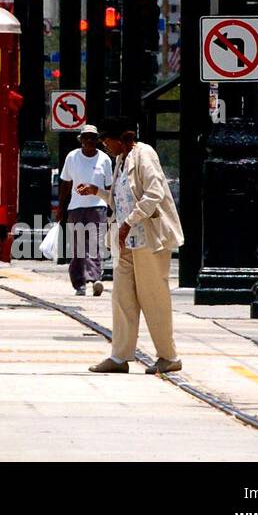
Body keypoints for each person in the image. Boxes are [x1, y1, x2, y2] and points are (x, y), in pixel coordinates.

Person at [89, 117, 185, 376]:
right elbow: (121, 199)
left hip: (148, 241)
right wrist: (97, 192)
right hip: (127, 243)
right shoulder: (120, 161)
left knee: (154, 298)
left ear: (121, 138)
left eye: (107, 141)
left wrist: (128, 223)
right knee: (122, 299)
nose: (105, 147)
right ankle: (119, 356)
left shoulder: (145, 155)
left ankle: (168, 356)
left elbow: (154, 194)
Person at [58, 126, 113, 297]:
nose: (89, 141)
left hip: (98, 207)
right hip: (76, 207)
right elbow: (66, 183)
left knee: (95, 244)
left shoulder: (104, 159)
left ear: (97, 140)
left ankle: (95, 278)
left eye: (93, 137)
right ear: (81, 139)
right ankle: (79, 283)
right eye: (86, 137)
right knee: (78, 247)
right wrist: (61, 208)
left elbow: (109, 186)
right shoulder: (72, 157)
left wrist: (112, 206)